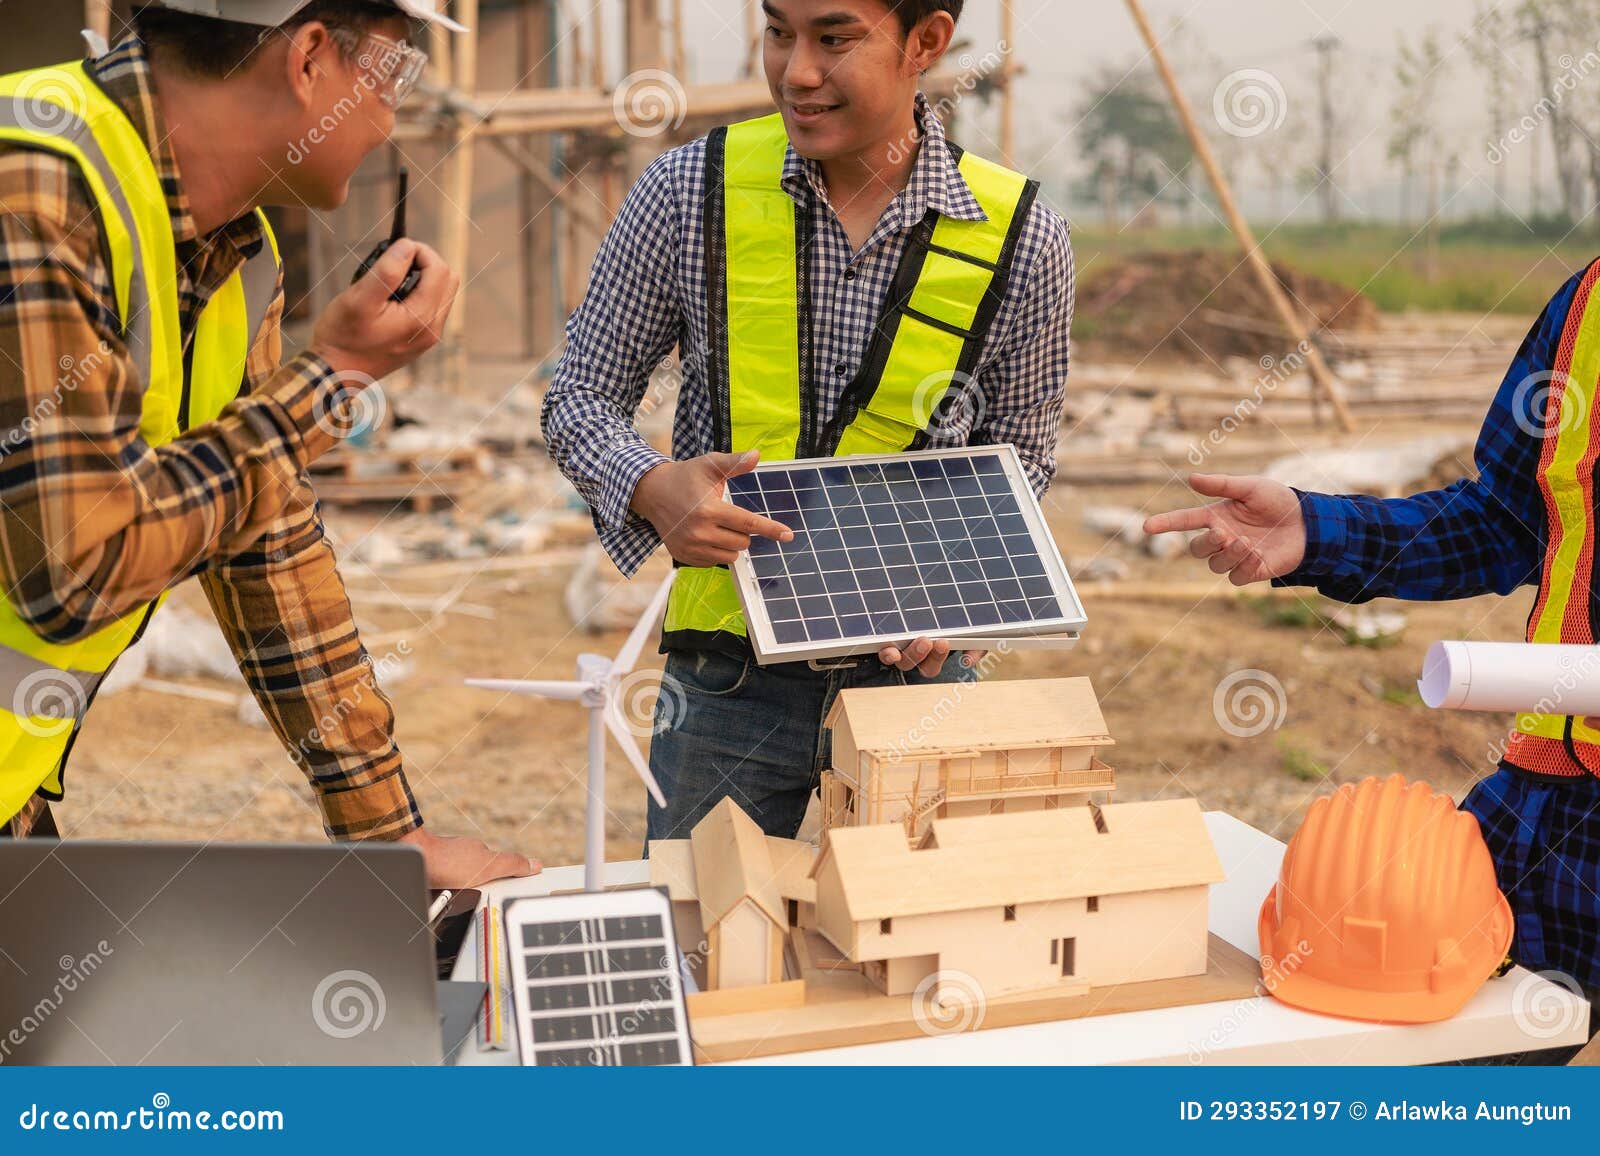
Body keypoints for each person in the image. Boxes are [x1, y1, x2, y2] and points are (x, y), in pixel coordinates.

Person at [0, 0, 536, 888]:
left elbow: (263, 536)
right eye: (394, 73)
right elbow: (74, 569)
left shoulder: (234, 255)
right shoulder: (34, 186)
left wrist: (388, 838)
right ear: (311, 58)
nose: (395, 115)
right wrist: (331, 379)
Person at [543, 0, 1075, 841]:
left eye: (834, 39)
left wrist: (957, 601)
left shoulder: (1021, 237)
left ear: (926, 43)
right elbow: (579, 394)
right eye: (778, 32)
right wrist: (649, 484)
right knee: (708, 949)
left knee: (909, 956)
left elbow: (1023, 458)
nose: (796, 70)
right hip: (725, 685)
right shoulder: (691, 193)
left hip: (916, 692)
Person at [1144, 260, 1600, 1046]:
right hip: (1555, 805)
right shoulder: (1590, 305)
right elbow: (1507, 521)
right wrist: (1319, 532)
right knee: (1436, 1072)